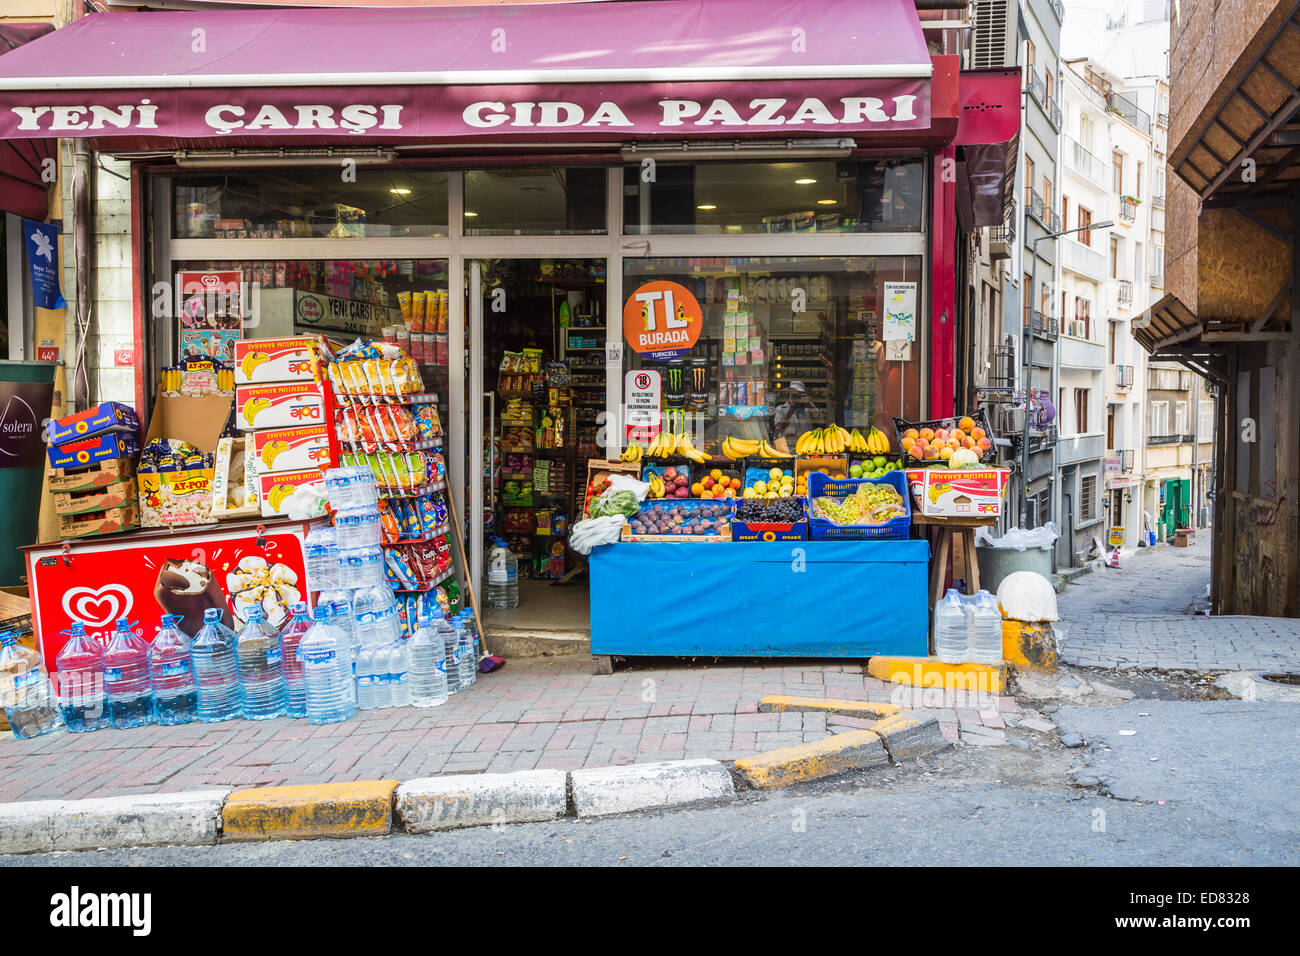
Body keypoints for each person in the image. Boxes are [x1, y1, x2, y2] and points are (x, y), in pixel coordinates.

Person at [773, 381, 820, 449]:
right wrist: (790, 410)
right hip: (787, 446)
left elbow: (821, 420)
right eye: (793, 393)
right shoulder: (781, 408)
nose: (796, 395)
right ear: (789, 392)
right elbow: (779, 426)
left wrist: (809, 404)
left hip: (807, 446)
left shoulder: (809, 408)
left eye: (799, 394)